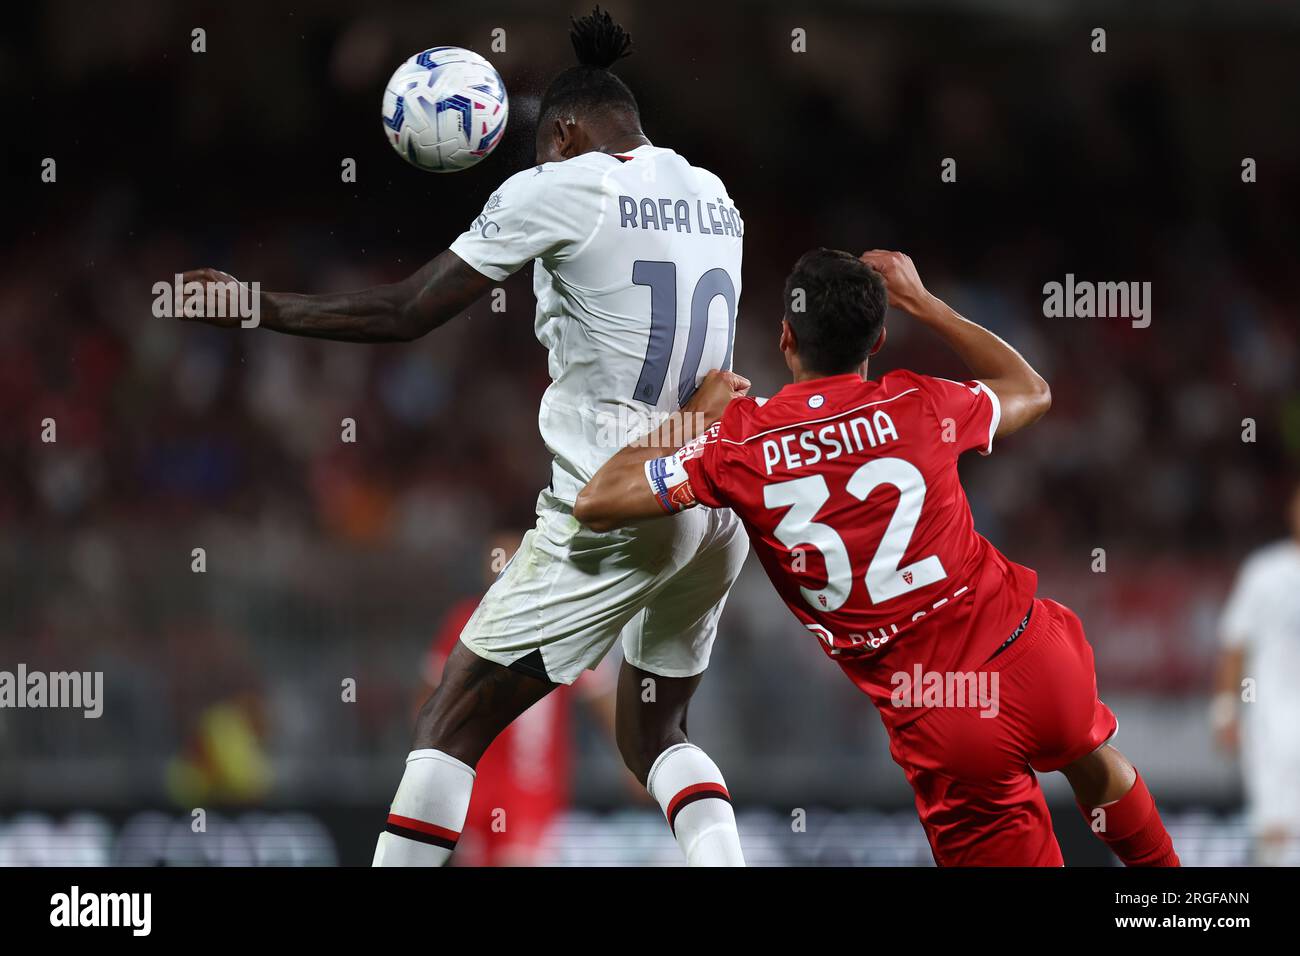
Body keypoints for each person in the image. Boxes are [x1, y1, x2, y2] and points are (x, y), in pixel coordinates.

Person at [174, 8, 749, 866]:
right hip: (713, 502)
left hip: (618, 501)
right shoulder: (716, 197)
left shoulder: (557, 186)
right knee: (657, 731)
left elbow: (408, 312)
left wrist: (256, 305)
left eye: (541, 147)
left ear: (564, 131)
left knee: (450, 720)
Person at [575, 248, 1180, 866]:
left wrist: (693, 417)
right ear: (880, 338)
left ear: (786, 335)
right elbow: (1032, 390)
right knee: (1091, 757)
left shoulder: (741, 441)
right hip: (1036, 654)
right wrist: (925, 300)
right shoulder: (918, 404)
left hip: (950, 718)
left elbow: (596, 501)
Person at [417, 530, 621, 866]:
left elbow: (601, 696)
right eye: (498, 564)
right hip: (472, 784)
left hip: (532, 788)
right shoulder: (465, 621)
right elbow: (427, 696)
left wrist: (632, 759)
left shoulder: (562, 625)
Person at [1213, 483, 1300, 866]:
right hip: (1272, 722)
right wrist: (1225, 709)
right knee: (1276, 832)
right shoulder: (1265, 571)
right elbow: (1235, 644)